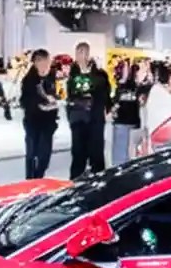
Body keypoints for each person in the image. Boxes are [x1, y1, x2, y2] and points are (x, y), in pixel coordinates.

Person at [65, 42, 112, 178]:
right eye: (77, 52)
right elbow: (70, 95)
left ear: (87, 53)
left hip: (95, 119)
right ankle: (74, 183)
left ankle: (99, 182)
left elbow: (105, 93)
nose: (79, 56)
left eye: (82, 52)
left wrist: (107, 108)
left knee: (96, 154)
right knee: (78, 154)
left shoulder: (99, 74)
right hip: (78, 120)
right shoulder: (72, 75)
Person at [20, 49, 59, 180]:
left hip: (48, 123)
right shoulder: (29, 80)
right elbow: (24, 100)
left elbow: (54, 96)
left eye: (47, 62)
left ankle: (39, 177)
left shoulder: (52, 77)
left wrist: (53, 105)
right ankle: (31, 181)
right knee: (32, 154)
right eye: (42, 62)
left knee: (45, 155)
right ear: (36, 63)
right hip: (33, 121)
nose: (45, 66)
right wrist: (38, 105)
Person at [110, 62, 149, 166]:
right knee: (119, 157)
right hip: (121, 123)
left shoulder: (143, 87)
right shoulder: (121, 86)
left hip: (134, 124)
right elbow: (115, 102)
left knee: (132, 156)